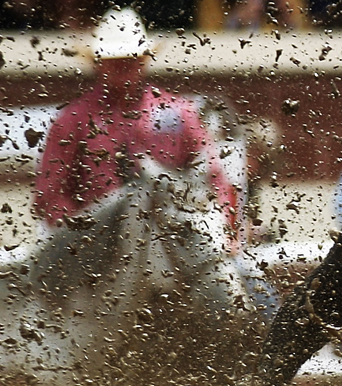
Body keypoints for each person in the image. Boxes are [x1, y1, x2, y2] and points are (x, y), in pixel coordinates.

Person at [34, 7, 241, 243]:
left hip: (177, 244)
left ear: (144, 60)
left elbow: (214, 178)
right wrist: (81, 238)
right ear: (98, 63)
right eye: (114, 59)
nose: (123, 65)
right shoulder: (73, 121)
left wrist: (224, 231)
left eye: (131, 58)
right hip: (97, 246)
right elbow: (49, 195)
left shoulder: (179, 113)